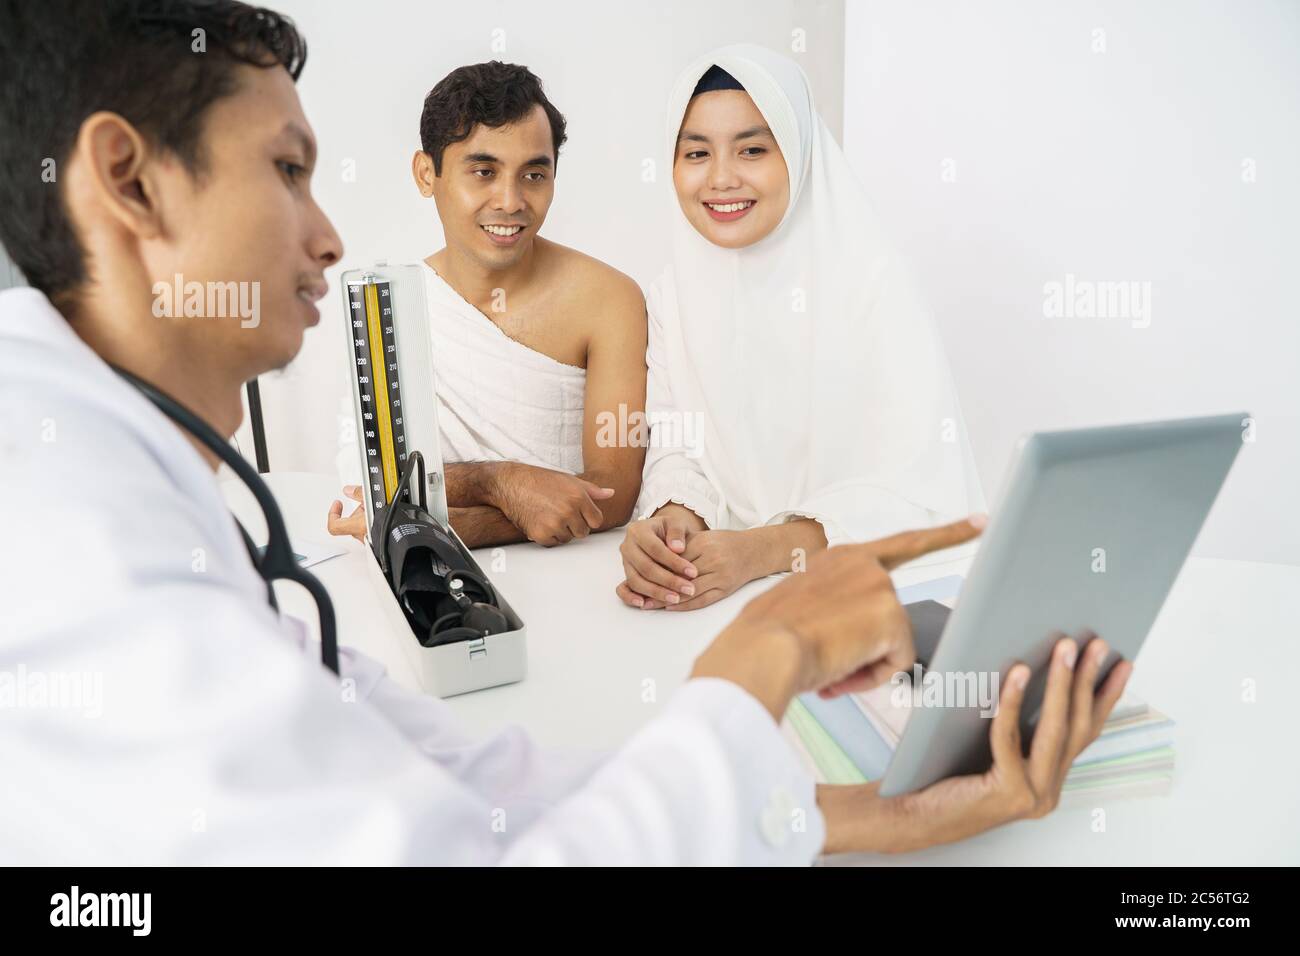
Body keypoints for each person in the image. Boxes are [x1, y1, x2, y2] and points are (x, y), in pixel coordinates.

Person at [0, 1, 1131, 864]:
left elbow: (486, 786)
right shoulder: (66, 545)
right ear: (127, 182)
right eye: (288, 170)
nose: (329, 235)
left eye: (534, 170)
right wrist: (766, 652)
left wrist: (893, 812)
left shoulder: (118, 483)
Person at [618, 47, 985, 611]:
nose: (721, 178)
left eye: (752, 149)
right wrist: (673, 524)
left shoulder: (873, 282)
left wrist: (762, 550)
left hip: (878, 597)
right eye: (696, 152)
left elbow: (924, 492)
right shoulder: (674, 291)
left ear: (799, 151)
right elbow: (678, 442)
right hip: (722, 601)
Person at [328, 62, 647, 549]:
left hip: (579, 568)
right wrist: (498, 480)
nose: (511, 201)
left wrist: (451, 526)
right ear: (426, 174)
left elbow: (613, 492)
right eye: (483, 172)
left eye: (534, 174)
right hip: (422, 578)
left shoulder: (609, 299)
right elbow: (372, 476)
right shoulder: (388, 303)